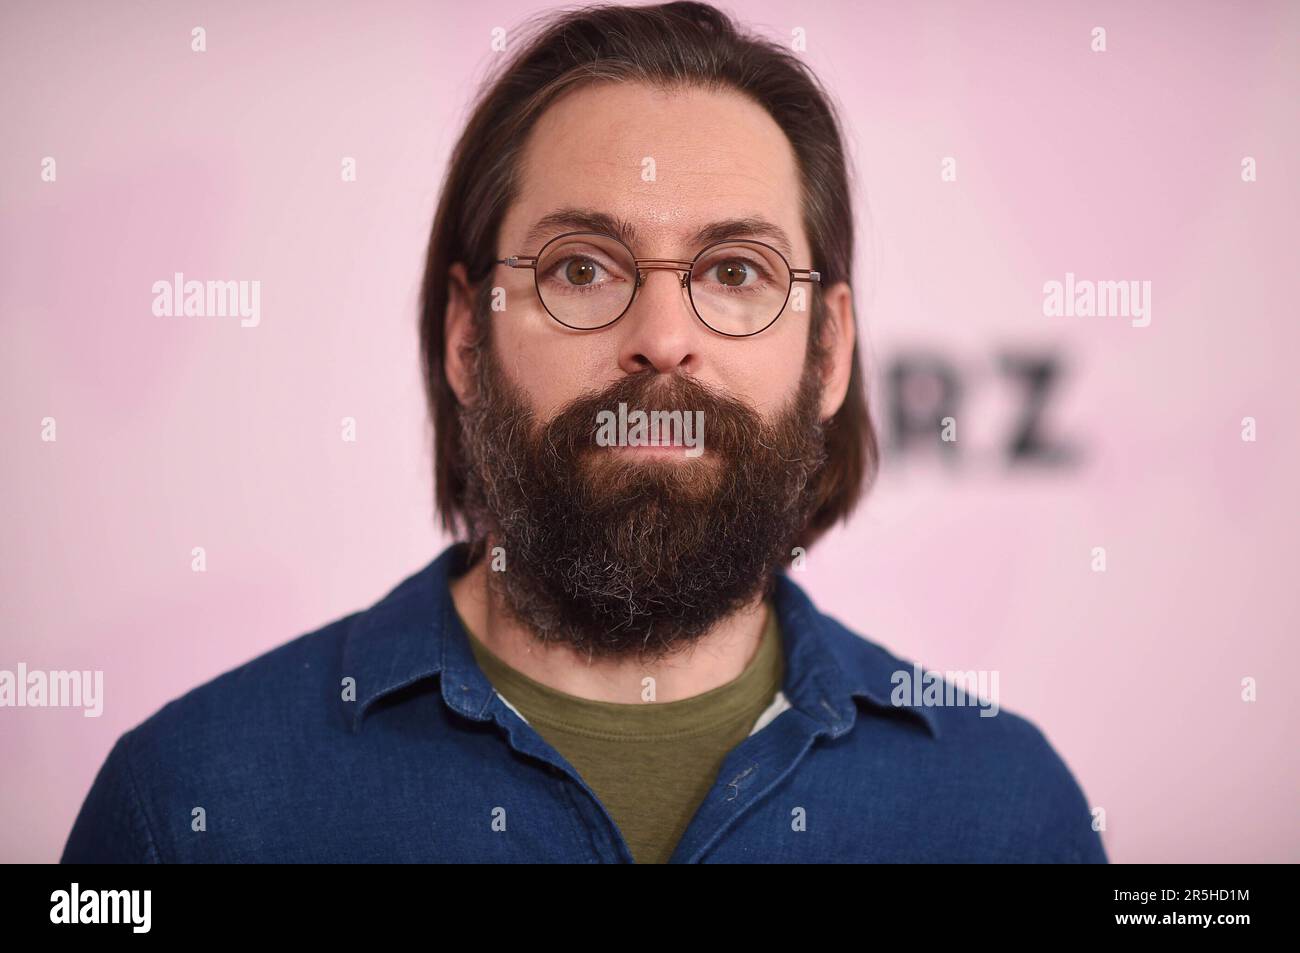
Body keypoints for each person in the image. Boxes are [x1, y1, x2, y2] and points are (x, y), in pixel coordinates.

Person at [61, 1, 1106, 863]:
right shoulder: (188, 804)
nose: (661, 339)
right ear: (468, 337)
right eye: (581, 269)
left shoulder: (1009, 812)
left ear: (828, 352)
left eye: (735, 273)